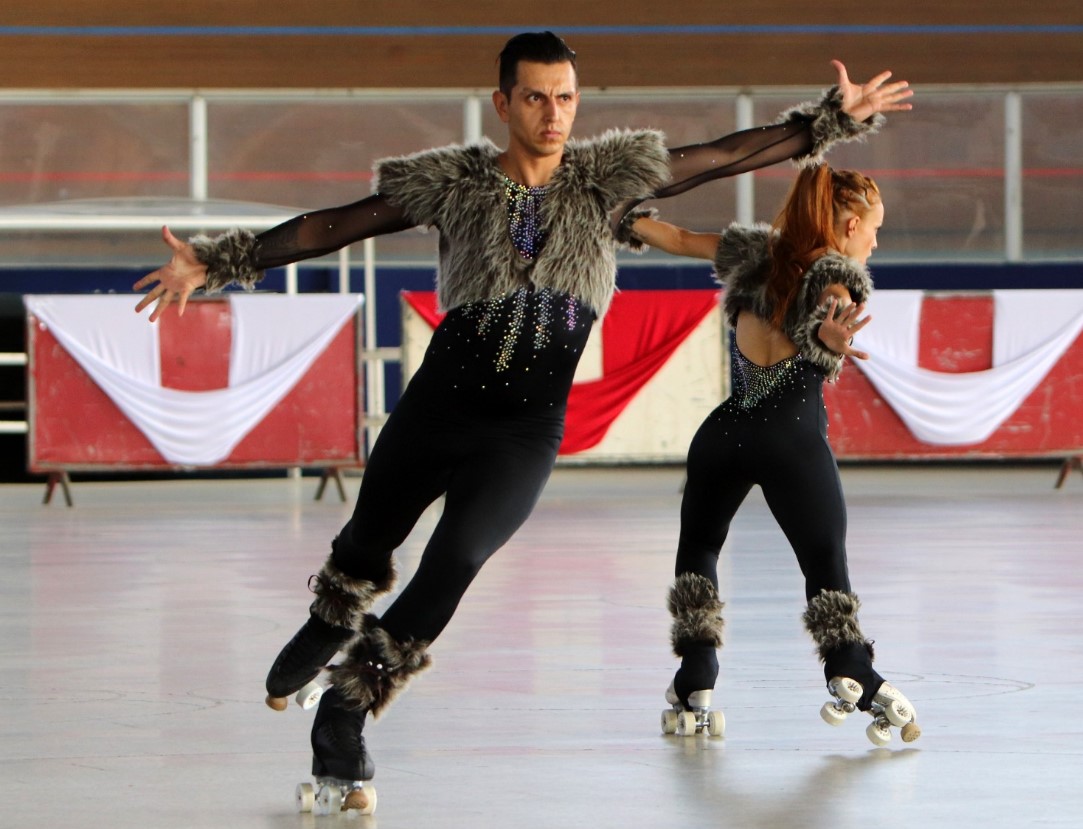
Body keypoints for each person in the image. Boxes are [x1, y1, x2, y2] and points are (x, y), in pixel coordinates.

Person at [132, 32, 913, 810]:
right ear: (502, 102)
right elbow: (332, 226)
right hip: (437, 409)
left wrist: (824, 121)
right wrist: (217, 261)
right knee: (368, 542)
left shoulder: (606, 183)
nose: (552, 114)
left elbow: (721, 155)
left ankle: (347, 709)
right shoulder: (455, 185)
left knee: (455, 560)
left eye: (566, 97)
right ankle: (327, 617)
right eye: (535, 97)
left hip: (523, 434)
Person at [625, 164, 921, 747]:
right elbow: (831, 302)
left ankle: (696, 674)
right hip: (790, 443)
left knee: (700, 548)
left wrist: (617, 218)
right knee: (823, 562)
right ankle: (850, 667)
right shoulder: (836, 278)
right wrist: (831, 337)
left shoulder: (751, 253)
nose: (875, 243)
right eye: (875, 231)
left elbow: (680, 239)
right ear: (852, 223)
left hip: (724, 435)